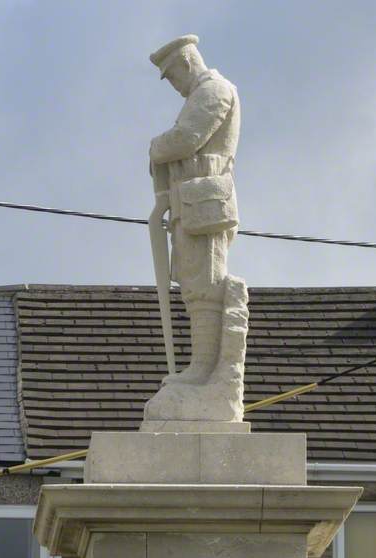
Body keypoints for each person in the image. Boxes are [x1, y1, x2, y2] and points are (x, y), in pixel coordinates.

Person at [149, 35, 241, 387]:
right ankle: (200, 365)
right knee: (192, 283)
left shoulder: (214, 90)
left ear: (186, 63)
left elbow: (186, 139)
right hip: (189, 201)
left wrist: (155, 146)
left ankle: (205, 368)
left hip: (206, 203)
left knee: (206, 284)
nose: (173, 85)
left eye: (173, 75)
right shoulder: (198, 95)